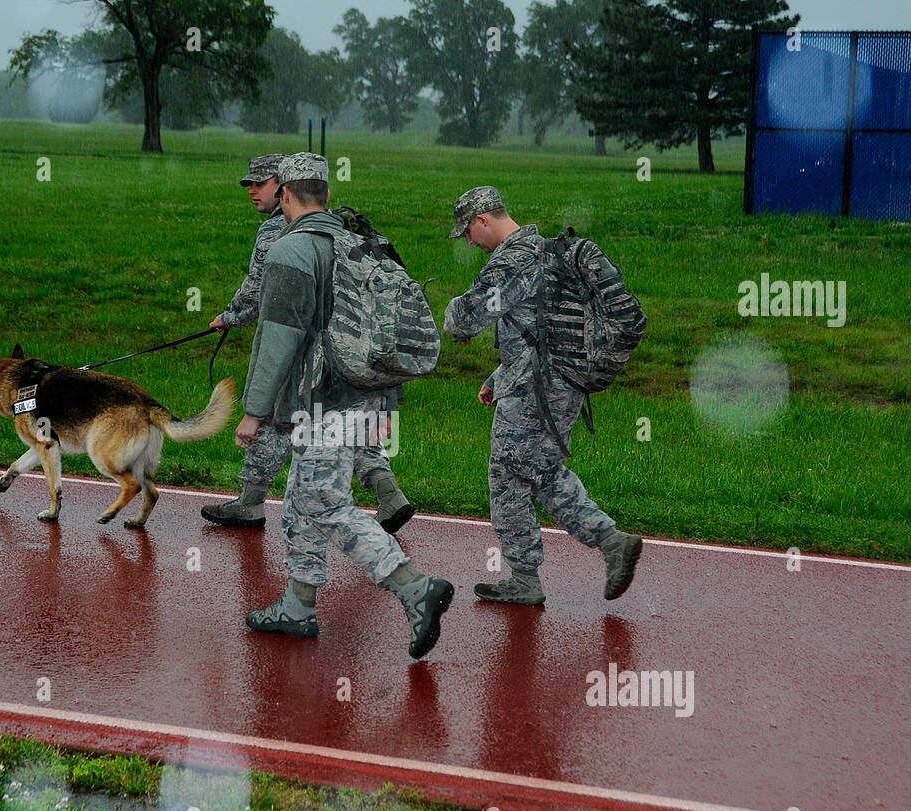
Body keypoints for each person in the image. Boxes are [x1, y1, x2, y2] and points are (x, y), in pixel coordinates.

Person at [239, 153, 453, 660]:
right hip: (369, 394)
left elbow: (278, 338)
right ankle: (298, 605)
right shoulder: (358, 242)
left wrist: (254, 411)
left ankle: (413, 586)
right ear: (327, 195)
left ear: (286, 195)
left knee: (323, 502)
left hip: (324, 402)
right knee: (300, 499)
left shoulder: (291, 251)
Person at [443, 186, 642, 605]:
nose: (468, 241)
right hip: (555, 382)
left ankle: (526, 576)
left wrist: (450, 314)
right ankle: (609, 541)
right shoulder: (544, 250)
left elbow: (466, 320)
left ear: (483, 220)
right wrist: (499, 377)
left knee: (508, 475)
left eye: (467, 232)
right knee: (542, 470)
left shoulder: (512, 260)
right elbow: (537, 329)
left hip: (537, 390)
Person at [202, 153, 414, 534]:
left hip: (308, 354)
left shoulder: (282, 234)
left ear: (284, 189)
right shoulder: (344, 229)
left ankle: (252, 503)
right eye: (249, 183)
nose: (252, 191)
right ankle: (389, 494)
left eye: (261, 183)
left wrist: (230, 317)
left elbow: (260, 294)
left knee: (275, 422)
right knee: (351, 425)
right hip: (353, 354)